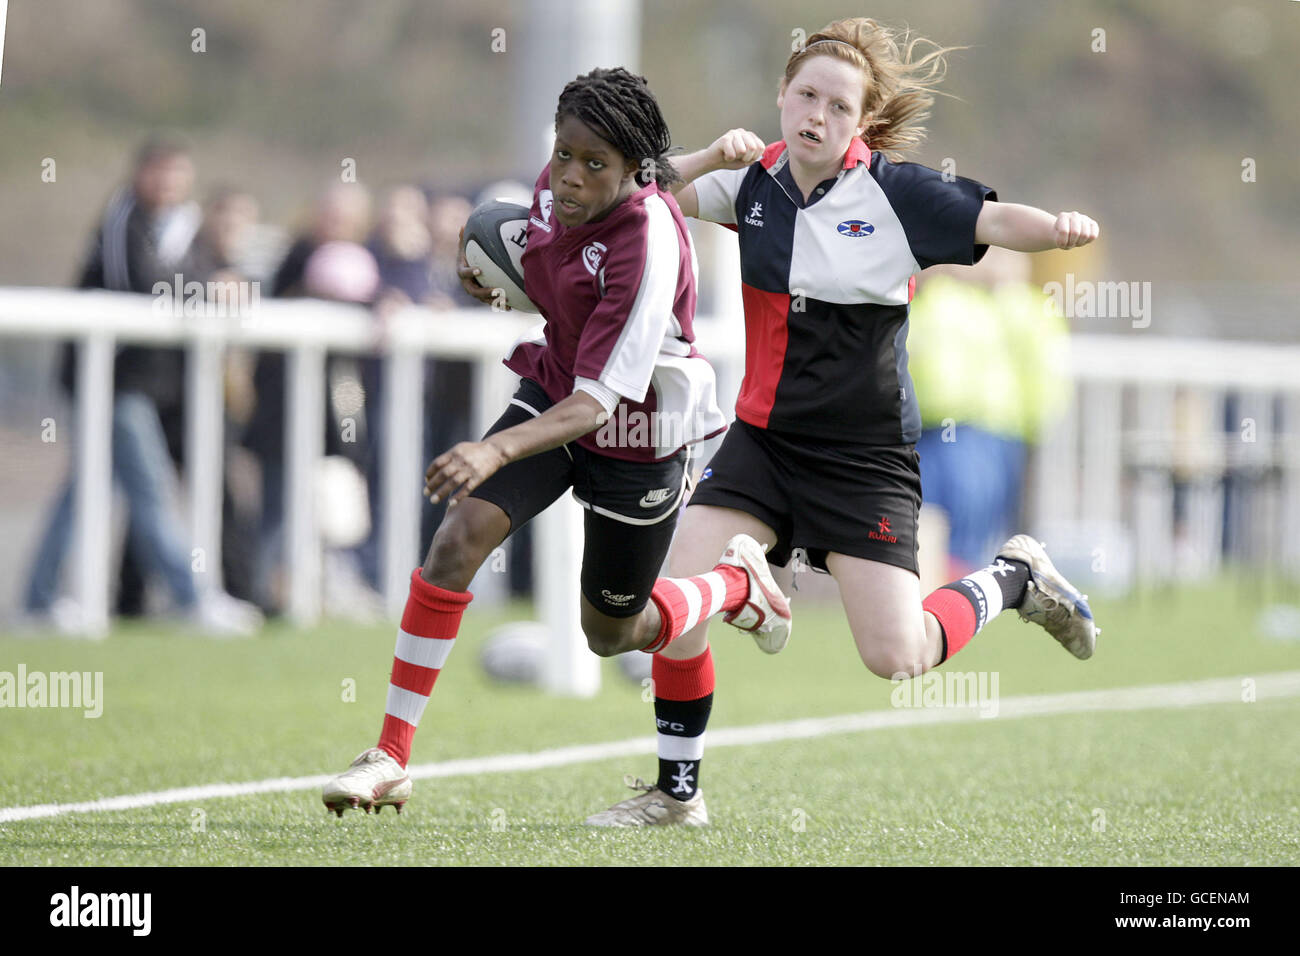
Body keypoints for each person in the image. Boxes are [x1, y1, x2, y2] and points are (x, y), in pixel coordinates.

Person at [585, 16, 1101, 826]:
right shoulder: (750, 181)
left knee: (896, 658)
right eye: (805, 95)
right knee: (673, 602)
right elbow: (636, 196)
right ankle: (675, 794)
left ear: (861, 123)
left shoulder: (898, 195)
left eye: (837, 105)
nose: (816, 115)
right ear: (782, 98)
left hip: (864, 461)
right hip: (762, 441)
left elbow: (998, 224)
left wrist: (1060, 230)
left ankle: (1016, 578)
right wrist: (707, 157)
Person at [320, 67, 792, 816]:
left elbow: (602, 402)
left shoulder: (650, 245)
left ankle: (737, 587)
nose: (569, 177)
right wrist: (493, 276)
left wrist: (494, 449)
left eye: (592, 165)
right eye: (564, 153)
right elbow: (562, 242)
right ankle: (391, 756)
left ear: (627, 171)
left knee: (615, 634)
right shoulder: (561, 178)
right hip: (558, 388)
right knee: (458, 536)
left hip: (637, 428)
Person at [24, 139, 262, 636]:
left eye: (178, 175)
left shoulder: (185, 224)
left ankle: (37, 600)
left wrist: (224, 280)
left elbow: (201, 274)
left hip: (147, 387)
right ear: (140, 175)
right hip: (111, 382)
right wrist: (206, 287)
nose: (169, 185)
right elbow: (136, 282)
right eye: (160, 174)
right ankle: (192, 598)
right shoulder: (121, 218)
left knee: (84, 491)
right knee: (150, 488)